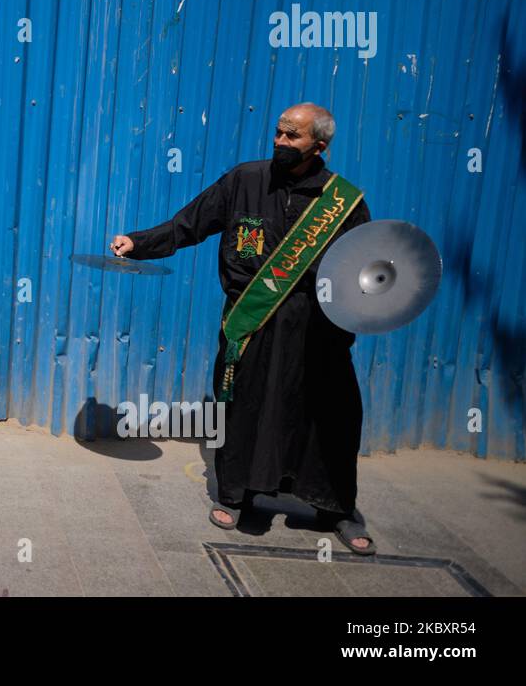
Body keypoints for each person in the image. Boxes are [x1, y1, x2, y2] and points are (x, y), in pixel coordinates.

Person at [110, 103, 376, 554]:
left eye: (292, 136)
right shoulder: (245, 180)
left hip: (318, 329)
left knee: (333, 414)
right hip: (252, 320)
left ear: (319, 146)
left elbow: (362, 269)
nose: (280, 141)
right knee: (241, 407)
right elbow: (188, 224)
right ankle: (235, 495)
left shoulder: (342, 203)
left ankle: (336, 507)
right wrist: (138, 242)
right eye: (278, 132)